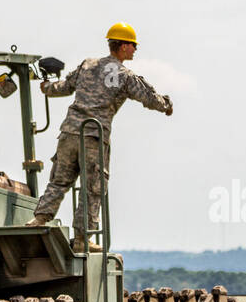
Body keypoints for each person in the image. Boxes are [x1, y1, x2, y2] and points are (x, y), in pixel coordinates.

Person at [26, 22, 173, 252]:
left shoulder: (88, 64)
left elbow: (63, 87)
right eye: (133, 45)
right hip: (93, 137)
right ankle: (83, 238)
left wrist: (46, 87)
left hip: (69, 132)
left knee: (59, 181)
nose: (135, 50)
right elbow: (149, 97)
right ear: (123, 46)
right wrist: (166, 105)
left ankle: (39, 218)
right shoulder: (125, 75)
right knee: (92, 188)